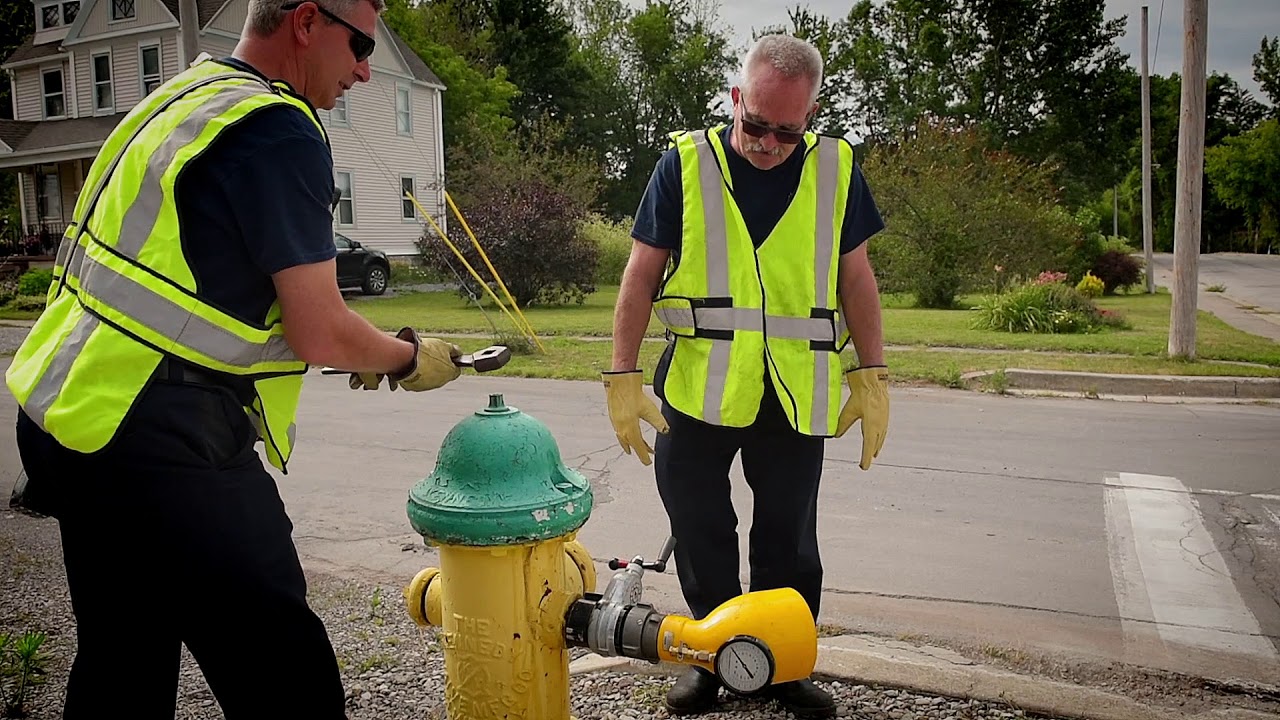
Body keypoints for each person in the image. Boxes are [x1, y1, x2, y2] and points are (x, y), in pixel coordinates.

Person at [4, 1, 464, 717]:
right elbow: (319, 329)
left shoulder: (184, 99)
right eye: (360, 45)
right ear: (307, 22)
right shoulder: (278, 129)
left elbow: (202, 291)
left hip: (72, 418)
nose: (367, 71)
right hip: (165, 437)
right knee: (284, 675)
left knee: (123, 658)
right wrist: (409, 357)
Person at [602, 33, 891, 719]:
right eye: (754, 124)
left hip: (793, 394)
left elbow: (857, 276)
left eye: (785, 132)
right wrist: (621, 374)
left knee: (788, 541)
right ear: (735, 97)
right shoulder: (685, 164)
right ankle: (711, 658)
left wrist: (872, 373)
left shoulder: (836, 170)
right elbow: (641, 272)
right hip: (696, 390)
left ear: (811, 116)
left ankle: (782, 665)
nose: (766, 142)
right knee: (701, 531)